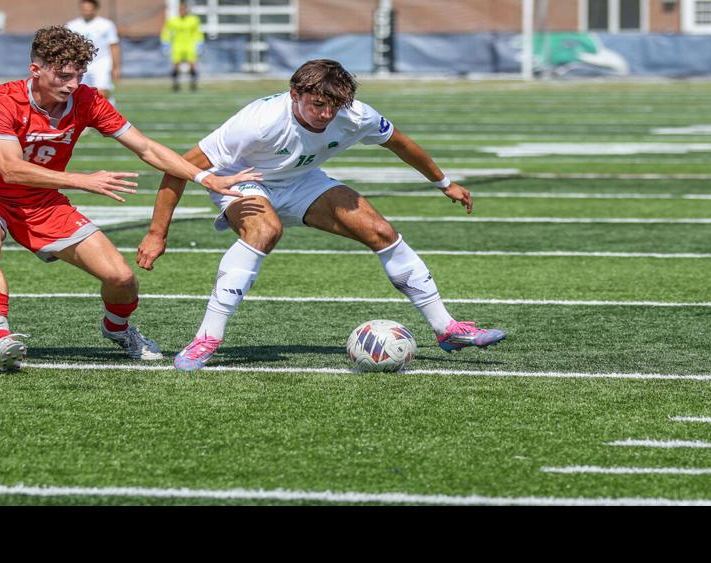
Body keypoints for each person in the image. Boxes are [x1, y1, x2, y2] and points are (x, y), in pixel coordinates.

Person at [135, 59, 506, 371]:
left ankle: (447, 329)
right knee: (265, 231)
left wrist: (444, 183)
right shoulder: (257, 122)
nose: (326, 115)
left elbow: (401, 144)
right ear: (294, 94)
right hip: (247, 181)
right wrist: (157, 232)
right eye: (316, 105)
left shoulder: (354, 114)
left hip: (303, 181)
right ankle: (207, 339)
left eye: (334, 107)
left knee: (380, 231)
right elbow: (178, 168)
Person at [0, 25, 260, 372]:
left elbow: (146, 147)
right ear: (36, 70)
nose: (73, 84)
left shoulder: (87, 100)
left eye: (79, 75)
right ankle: (0, 338)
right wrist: (82, 180)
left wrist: (204, 177)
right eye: (64, 75)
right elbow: (10, 169)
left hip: (41, 201)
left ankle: (118, 329)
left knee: (121, 279)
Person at [65, 0, 120, 101]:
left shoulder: (106, 25)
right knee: (79, 93)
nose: (87, 12)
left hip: (101, 62)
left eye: (89, 9)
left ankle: (105, 114)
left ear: (95, 9)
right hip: (80, 64)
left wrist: (116, 67)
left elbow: (114, 46)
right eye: (84, 9)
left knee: (102, 93)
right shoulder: (72, 25)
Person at [162, 2, 203, 92]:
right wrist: (165, 43)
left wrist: (199, 43)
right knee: (176, 64)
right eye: (180, 9)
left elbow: (198, 33)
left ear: (187, 10)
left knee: (192, 64)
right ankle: (176, 85)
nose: (182, 11)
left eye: (184, 9)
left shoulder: (193, 20)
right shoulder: (173, 21)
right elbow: (166, 32)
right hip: (177, 45)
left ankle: (193, 85)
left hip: (190, 45)